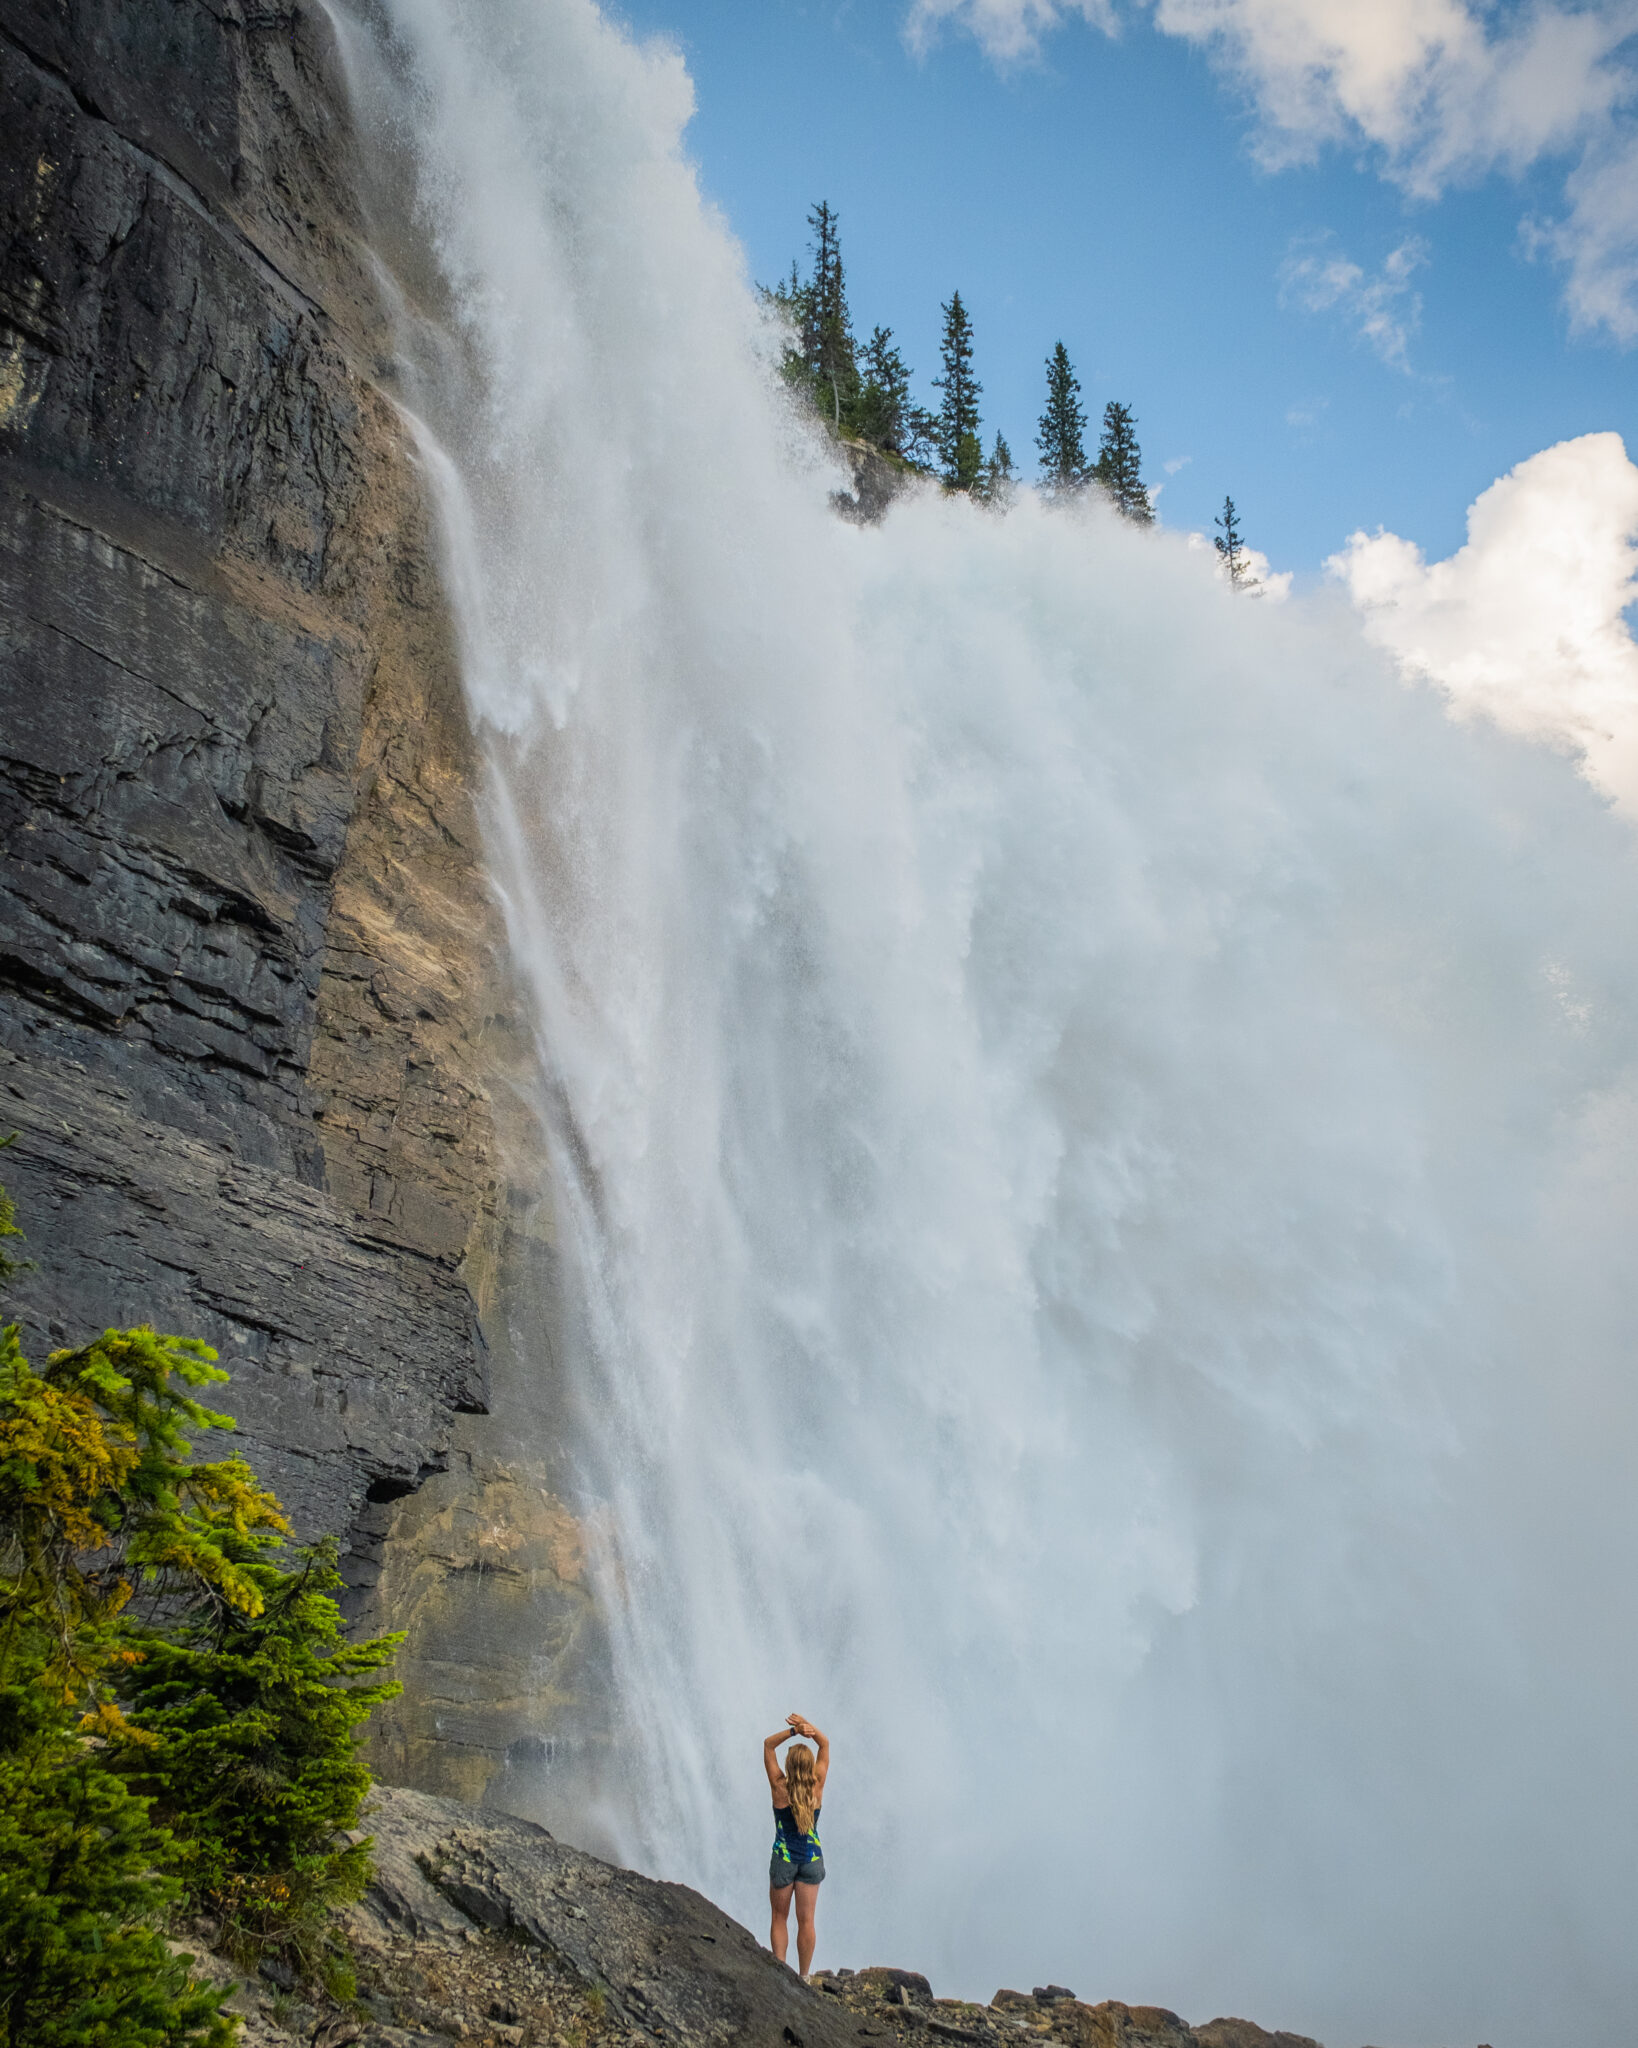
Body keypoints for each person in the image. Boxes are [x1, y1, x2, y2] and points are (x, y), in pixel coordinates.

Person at [763, 1711, 828, 1978]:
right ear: (810, 1766)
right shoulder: (817, 1785)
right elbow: (825, 1745)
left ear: (789, 1765)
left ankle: (780, 1971)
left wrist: (794, 1731)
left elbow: (767, 1745)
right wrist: (810, 1729)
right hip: (811, 1860)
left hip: (784, 1859)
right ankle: (803, 1976)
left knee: (780, 1918)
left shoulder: (779, 1787)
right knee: (807, 1921)